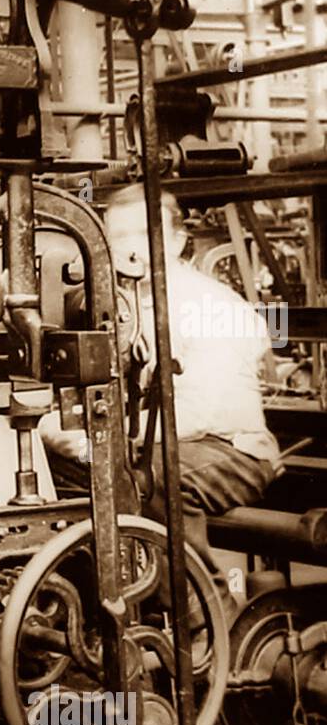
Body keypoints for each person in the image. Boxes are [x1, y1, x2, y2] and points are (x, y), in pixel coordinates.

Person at [41, 181, 281, 608]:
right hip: (157, 440)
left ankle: (201, 614)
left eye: (141, 235)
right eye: (116, 238)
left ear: (178, 241)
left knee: (150, 475)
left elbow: (202, 413)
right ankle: (112, 607)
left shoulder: (210, 304)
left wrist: (104, 441)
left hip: (231, 450)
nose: (129, 250)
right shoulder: (121, 305)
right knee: (67, 472)